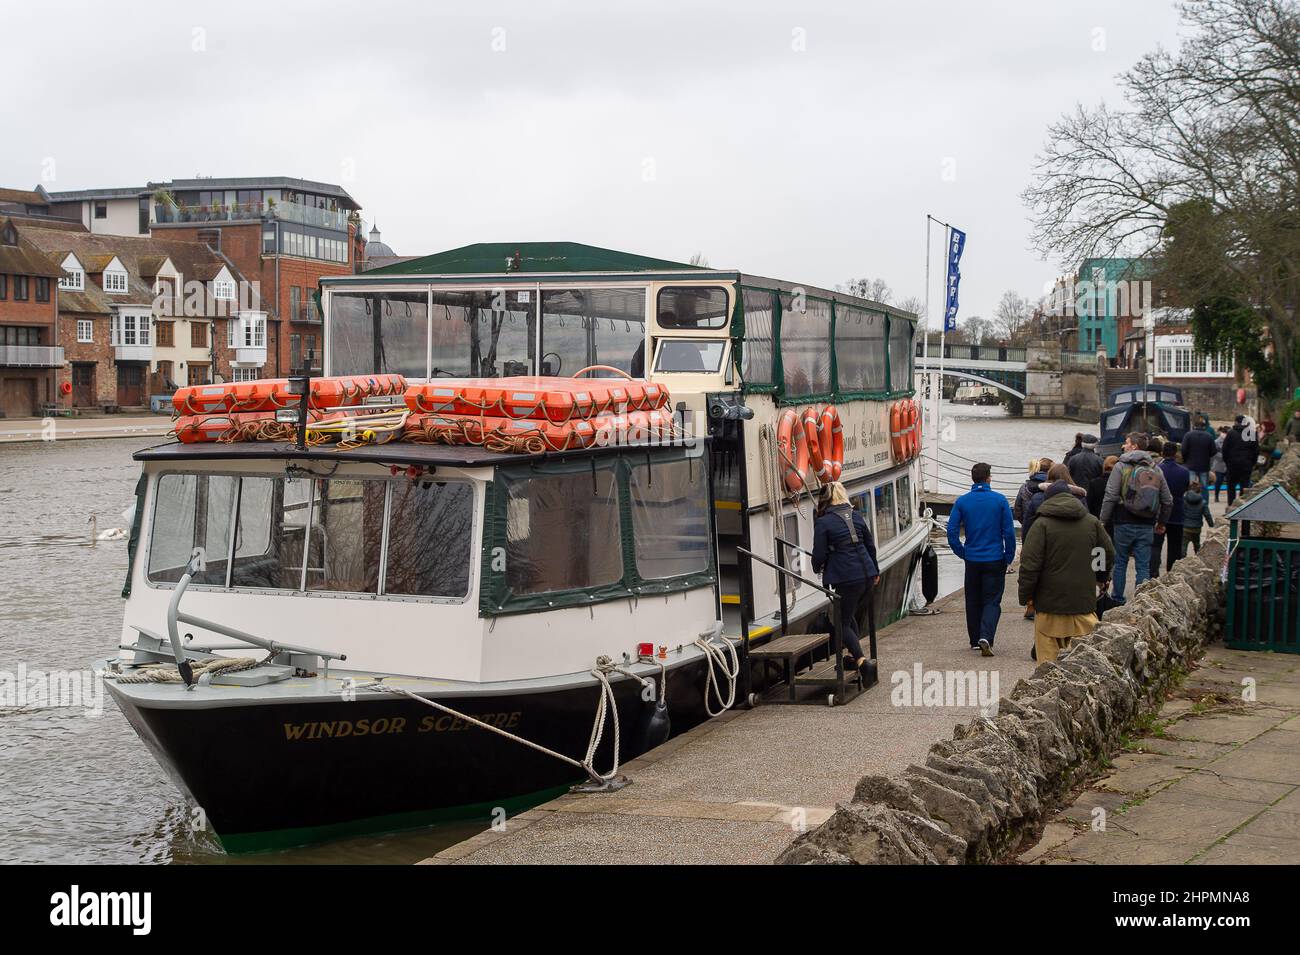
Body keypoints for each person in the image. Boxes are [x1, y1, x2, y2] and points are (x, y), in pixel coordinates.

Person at [1018, 479, 1115, 663]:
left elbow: (1030, 566)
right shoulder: (1091, 522)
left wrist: (1026, 596)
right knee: (1085, 662)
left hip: (1048, 605)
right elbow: (1105, 552)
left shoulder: (1041, 525)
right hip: (1083, 603)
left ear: (1048, 500)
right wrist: (1100, 578)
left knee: (1046, 665)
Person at [947, 462, 1017, 657]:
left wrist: (961, 552)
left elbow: (951, 531)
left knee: (973, 599)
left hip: (973, 559)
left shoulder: (962, 502)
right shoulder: (1000, 500)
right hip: (995, 558)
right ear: (989, 478)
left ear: (972, 478)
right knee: (992, 600)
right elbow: (1009, 533)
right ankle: (986, 636)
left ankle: (975, 639)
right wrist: (1008, 556)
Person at [812, 482, 880, 675]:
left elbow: (819, 554)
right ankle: (851, 657)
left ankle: (861, 662)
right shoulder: (856, 516)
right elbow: (870, 546)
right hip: (867, 574)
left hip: (847, 577)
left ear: (824, 501)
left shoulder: (824, 522)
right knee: (848, 617)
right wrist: (875, 571)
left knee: (841, 622)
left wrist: (817, 567)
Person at [1099, 432, 1174, 604]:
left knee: (1120, 562)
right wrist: (1162, 522)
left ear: (1134, 446)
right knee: (1143, 565)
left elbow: (1110, 495)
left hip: (1123, 520)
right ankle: (1141, 601)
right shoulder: (1156, 469)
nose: (1123, 446)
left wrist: (1103, 520)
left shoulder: (1120, 466)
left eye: (1126, 443)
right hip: (1147, 522)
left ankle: (1118, 598)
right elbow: (1168, 500)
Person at [1150, 441, 1190, 576]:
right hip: (1177, 512)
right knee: (1175, 547)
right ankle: (1172, 574)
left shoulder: (1155, 470)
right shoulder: (1184, 472)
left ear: (1162, 453)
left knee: (1155, 546)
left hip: (1159, 512)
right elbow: (1185, 488)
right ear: (1176, 454)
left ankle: (1153, 574)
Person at [1222, 416, 1259, 505]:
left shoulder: (1231, 433)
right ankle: (1243, 506)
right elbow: (1256, 450)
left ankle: (1231, 507)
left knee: (1231, 487)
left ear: (1236, 422)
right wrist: (1252, 463)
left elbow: (1225, 449)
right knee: (1245, 487)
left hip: (1232, 464)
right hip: (1246, 464)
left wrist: (1227, 461)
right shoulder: (1252, 433)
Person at [1181, 478, 1215, 556]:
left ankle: (1182, 562)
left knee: (1183, 546)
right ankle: (1198, 560)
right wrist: (1212, 526)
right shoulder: (1203, 502)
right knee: (1197, 545)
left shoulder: (1184, 500)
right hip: (1197, 528)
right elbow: (1207, 515)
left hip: (1185, 527)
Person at [1181, 419, 1216, 491]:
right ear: (1204, 427)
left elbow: (1183, 450)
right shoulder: (1209, 436)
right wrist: (1206, 456)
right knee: (1204, 487)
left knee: (1192, 486)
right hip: (1204, 466)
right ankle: (1204, 501)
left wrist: (1186, 460)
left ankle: (1192, 500)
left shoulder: (1188, 435)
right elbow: (1213, 451)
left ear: (1194, 426)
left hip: (1191, 465)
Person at [1088, 455, 1118, 521]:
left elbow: (1089, 503)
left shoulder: (1094, 483)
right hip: (1115, 518)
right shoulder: (1119, 482)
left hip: (1096, 517)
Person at [1211, 428, 1229, 503]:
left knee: (1229, 481)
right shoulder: (1216, 442)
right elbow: (1214, 453)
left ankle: (1229, 497)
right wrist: (1223, 457)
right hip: (1219, 464)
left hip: (1228, 464)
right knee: (1219, 481)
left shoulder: (1230, 441)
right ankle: (1216, 496)